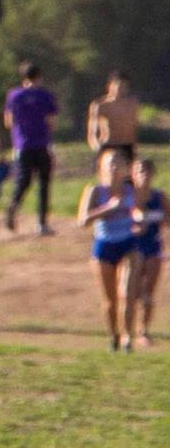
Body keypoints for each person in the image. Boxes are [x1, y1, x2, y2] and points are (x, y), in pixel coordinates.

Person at [78, 147, 139, 351]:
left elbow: (144, 214)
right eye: (109, 163)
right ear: (101, 168)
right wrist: (108, 208)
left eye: (118, 163)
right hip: (104, 245)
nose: (114, 167)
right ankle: (113, 335)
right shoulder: (95, 191)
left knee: (127, 293)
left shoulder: (133, 191)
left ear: (126, 169)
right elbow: (83, 220)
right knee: (110, 300)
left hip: (128, 243)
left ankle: (128, 337)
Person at [4, 62, 60, 235]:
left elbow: (8, 121)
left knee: (23, 181)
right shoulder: (45, 96)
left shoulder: (14, 95)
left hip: (22, 145)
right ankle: (42, 223)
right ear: (39, 76)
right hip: (42, 143)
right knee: (44, 183)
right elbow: (52, 122)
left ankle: (13, 205)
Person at [130, 157, 162, 348]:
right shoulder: (127, 196)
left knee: (148, 292)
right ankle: (127, 329)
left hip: (153, 246)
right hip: (131, 247)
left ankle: (144, 330)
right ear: (132, 174)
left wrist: (156, 217)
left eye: (147, 171)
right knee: (130, 291)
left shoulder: (159, 196)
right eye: (140, 170)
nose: (144, 175)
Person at [87, 71, 140, 154]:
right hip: (108, 145)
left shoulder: (132, 104)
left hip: (127, 146)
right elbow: (92, 132)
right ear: (110, 86)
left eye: (124, 86)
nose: (121, 89)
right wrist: (97, 147)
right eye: (118, 86)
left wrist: (134, 148)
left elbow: (133, 128)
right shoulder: (100, 105)